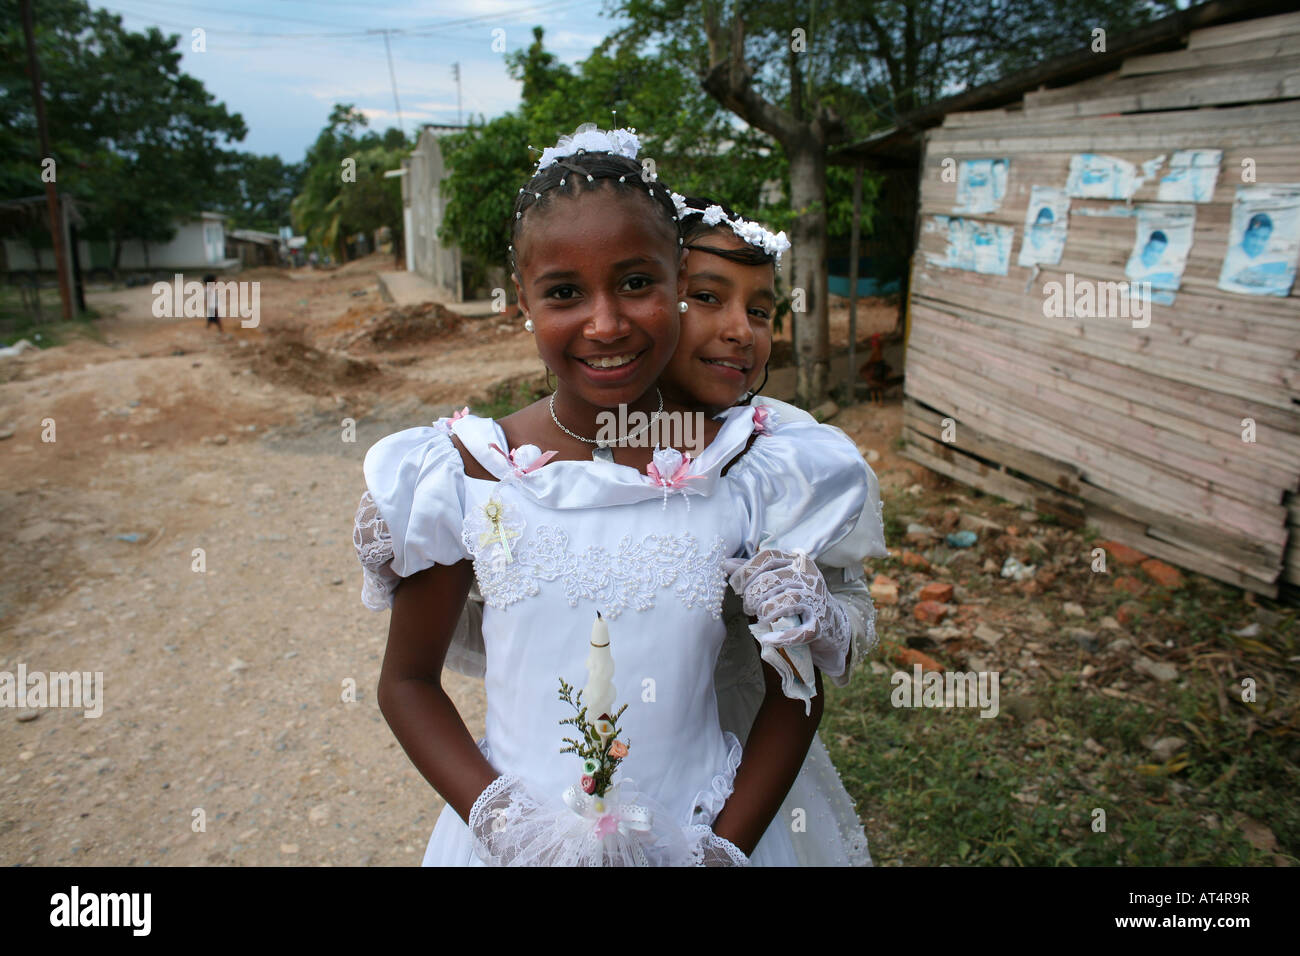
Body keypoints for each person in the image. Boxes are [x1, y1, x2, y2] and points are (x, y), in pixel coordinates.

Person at [353, 126, 872, 866]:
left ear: (676, 283)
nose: (605, 322)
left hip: (700, 830)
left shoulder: (750, 471)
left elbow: (794, 688)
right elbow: (406, 681)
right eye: (564, 293)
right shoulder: (465, 474)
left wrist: (723, 849)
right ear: (523, 303)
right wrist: (504, 826)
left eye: (636, 283)